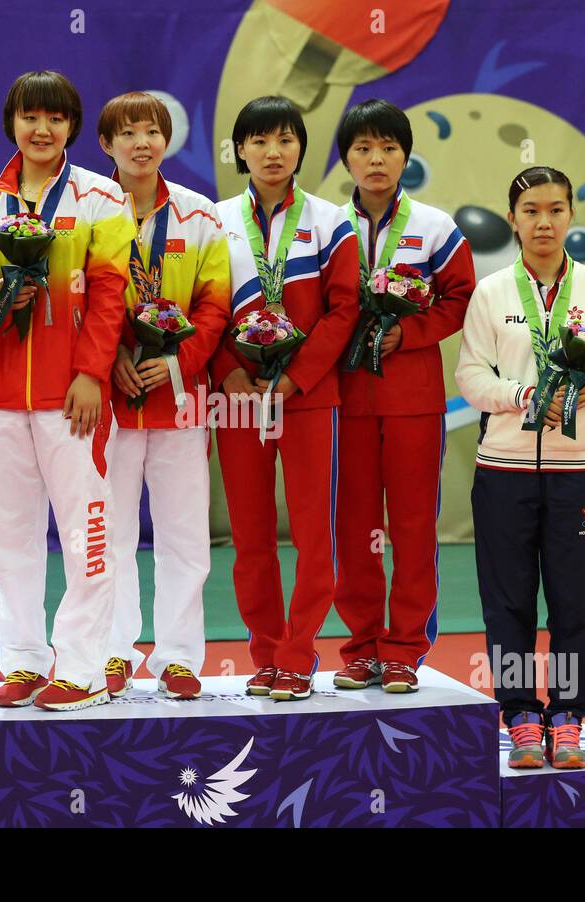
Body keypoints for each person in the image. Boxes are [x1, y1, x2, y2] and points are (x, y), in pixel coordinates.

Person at [0, 71, 134, 711]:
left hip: (75, 393)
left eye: (56, 119)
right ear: (12, 122)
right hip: (2, 392)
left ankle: (84, 666)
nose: (42, 130)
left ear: (71, 126)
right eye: (30, 117)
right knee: (9, 534)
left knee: (87, 527)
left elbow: (111, 292)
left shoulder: (100, 198)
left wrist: (92, 373)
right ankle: (24, 661)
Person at [455, 166, 585, 768]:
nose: (544, 222)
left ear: (572, 215)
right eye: (531, 211)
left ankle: (567, 715)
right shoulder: (491, 291)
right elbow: (470, 376)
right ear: (512, 219)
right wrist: (523, 397)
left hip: (576, 468)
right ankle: (521, 715)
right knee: (507, 601)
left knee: (575, 602)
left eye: (555, 210)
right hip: (504, 468)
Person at [211, 95, 360, 701]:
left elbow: (344, 308)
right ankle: (266, 654)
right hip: (239, 397)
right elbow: (204, 305)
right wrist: (226, 371)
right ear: (240, 149)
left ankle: (299, 655)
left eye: (286, 140)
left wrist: (297, 376)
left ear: (301, 147)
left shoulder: (330, 221)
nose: (273, 153)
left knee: (310, 533)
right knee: (249, 537)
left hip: (308, 396)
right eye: (259, 141)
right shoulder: (214, 220)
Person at [330, 99, 475, 694]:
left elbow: (460, 298)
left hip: (414, 395)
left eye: (388, 148)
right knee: (354, 523)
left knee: (413, 524)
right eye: (363, 148)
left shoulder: (436, 226)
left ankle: (406, 647)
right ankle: (362, 645)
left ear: (406, 157)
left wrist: (406, 332)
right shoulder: (325, 225)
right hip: (347, 395)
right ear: (347, 159)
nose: (376, 159)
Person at [97, 92, 231, 700]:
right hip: (114, 397)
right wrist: (113, 358)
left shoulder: (201, 215)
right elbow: (80, 303)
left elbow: (214, 304)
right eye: (128, 133)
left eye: (152, 131)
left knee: (183, 534)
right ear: (106, 145)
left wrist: (176, 360)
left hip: (182, 397)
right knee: (113, 532)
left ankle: (178, 655)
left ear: (166, 141)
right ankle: (114, 651)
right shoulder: (93, 212)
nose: (141, 143)